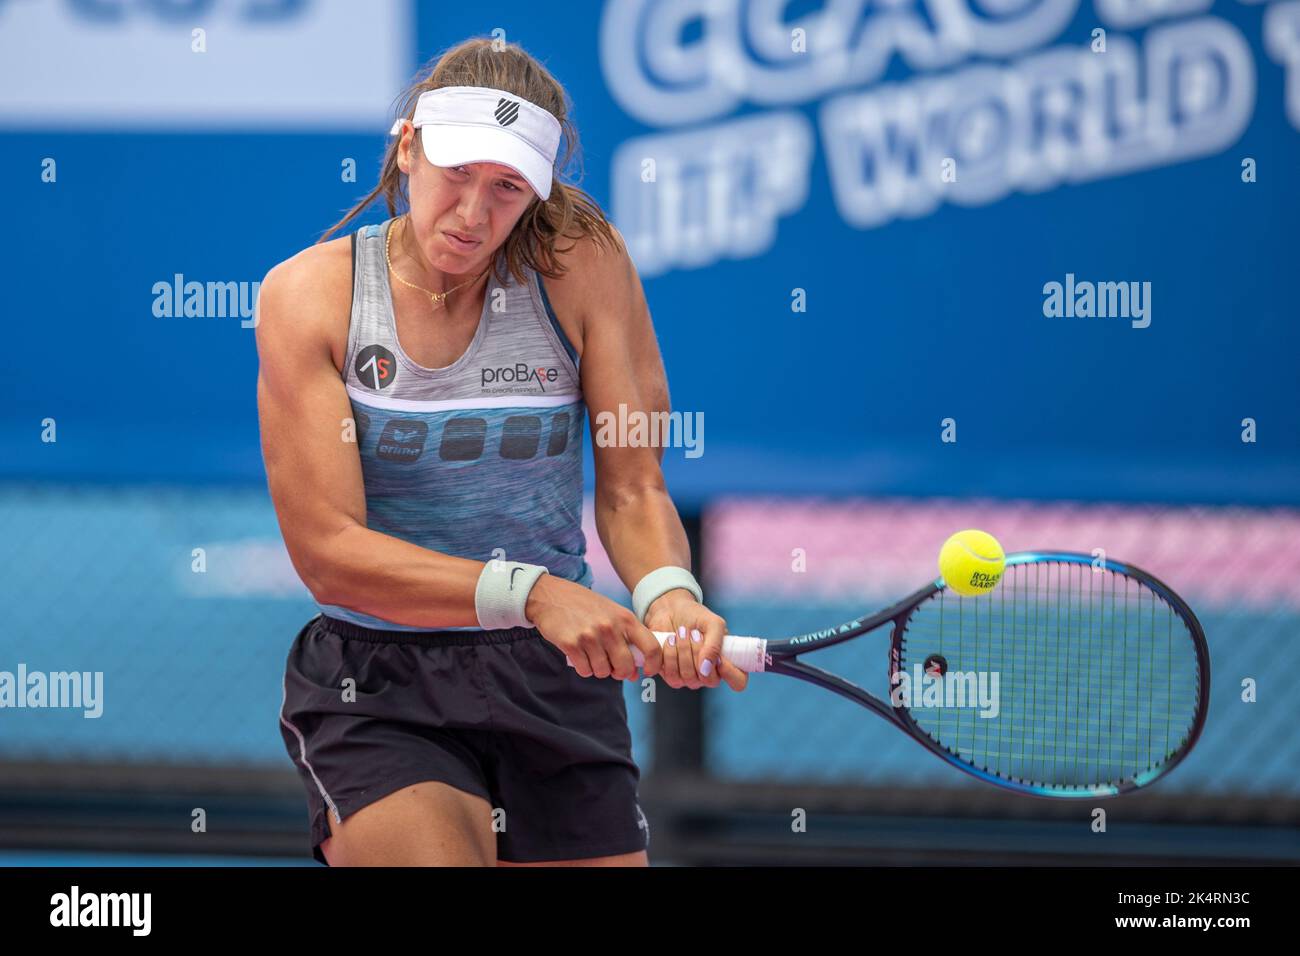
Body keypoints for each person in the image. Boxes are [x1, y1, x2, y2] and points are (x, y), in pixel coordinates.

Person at [255, 37, 747, 867]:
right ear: (408, 147)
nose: (473, 214)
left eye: (507, 187)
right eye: (457, 173)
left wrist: (668, 595)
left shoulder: (586, 265)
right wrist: (532, 592)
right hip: (377, 683)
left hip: (553, 678)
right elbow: (329, 555)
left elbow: (633, 489)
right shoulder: (309, 295)